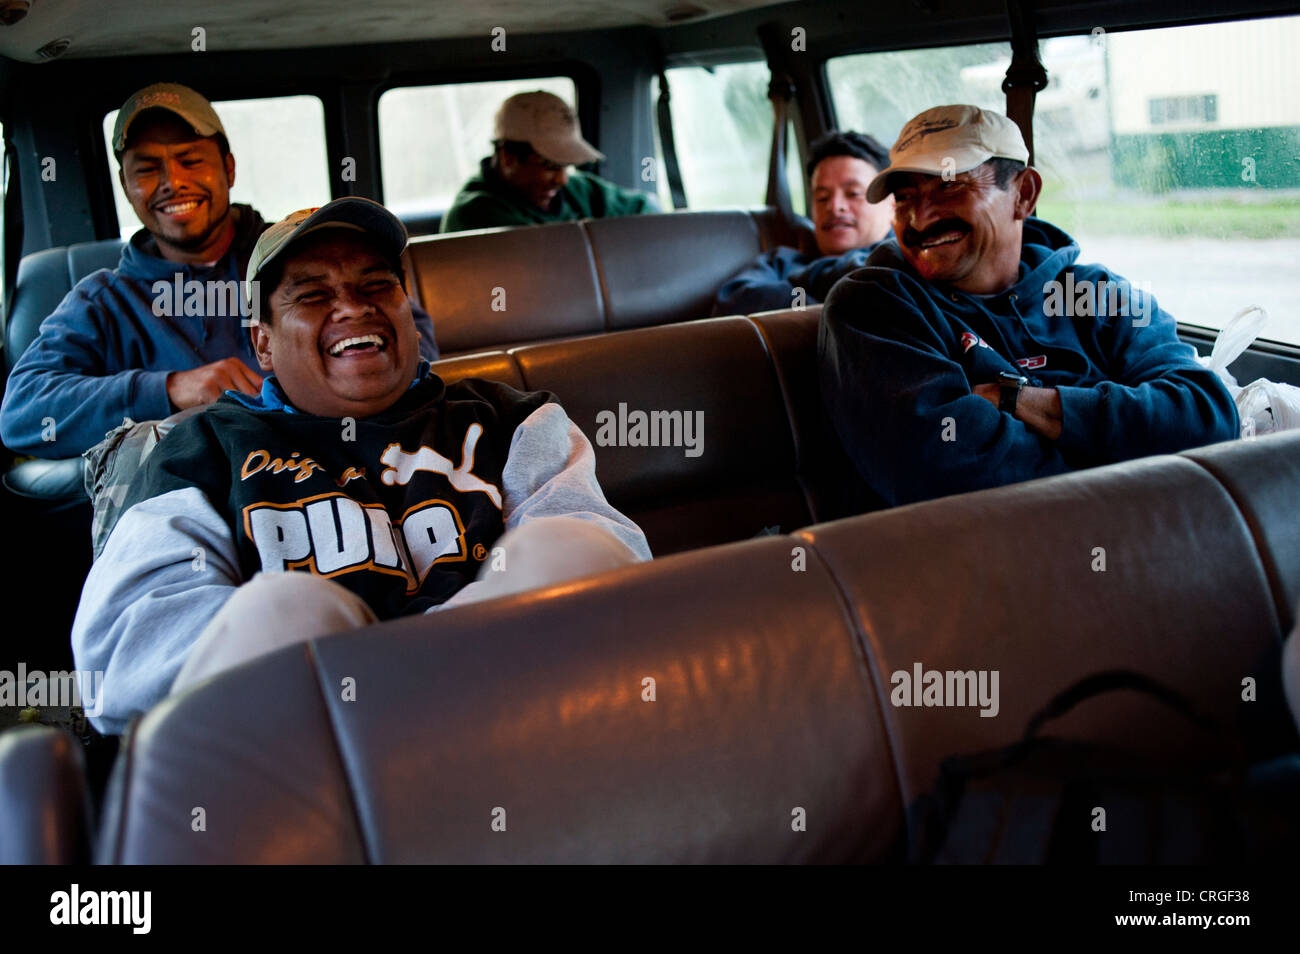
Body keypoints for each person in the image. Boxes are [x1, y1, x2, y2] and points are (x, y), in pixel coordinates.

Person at [72, 197, 651, 735]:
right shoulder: (199, 451)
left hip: (510, 724)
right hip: (309, 764)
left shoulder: (510, 418)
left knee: (566, 549)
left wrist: (399, 666)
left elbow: (610, 558)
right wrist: (350, 669)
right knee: (286, 609)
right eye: (312, 295)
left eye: (377, 285)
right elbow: (129, 650)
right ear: (264, 343)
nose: (353, 307)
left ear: (408, 312)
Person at [818, 104, 1239, 508]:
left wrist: (1018, 400)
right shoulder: (873, 306)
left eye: (949, 185)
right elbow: (944, 473)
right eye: (905, 197)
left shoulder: (1096, 293)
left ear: (1024, 193)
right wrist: (1128, 443)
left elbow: (1208, 416)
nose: (921, 217)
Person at [0, 82, 439, 459]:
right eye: (148, 168)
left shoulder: (303, 253)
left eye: (191, 160)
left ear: (228, 169)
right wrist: (171, 390)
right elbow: (23, 414)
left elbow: (411, 342)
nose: (173, 182)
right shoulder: (104, 301)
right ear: (125, 186)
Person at [712, 130, 894, 316]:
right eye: (822, 198)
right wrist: (806, 303)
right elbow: (734, 302)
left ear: (893, 204)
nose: (834, 206)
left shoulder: (908, 257)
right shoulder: (782, 264)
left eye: (853, 193)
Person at [440, 90, 656, 233]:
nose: (562, 180)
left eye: (566, 166)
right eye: (550, 166)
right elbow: (547, 258)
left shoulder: (580, 189)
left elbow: (648, 211)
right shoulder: (473, 215)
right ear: (509, 157)